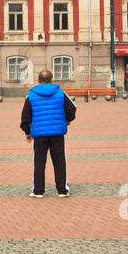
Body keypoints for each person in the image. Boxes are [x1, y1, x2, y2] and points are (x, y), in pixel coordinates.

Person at [21, 69, 78, 197]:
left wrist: (27, 131)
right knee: (59, 161)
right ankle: (62, 190)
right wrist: (68, 120)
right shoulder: (60, 92)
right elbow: (72, 109)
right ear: (52, 80)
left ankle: (38, 191)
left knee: (39, 162)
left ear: (38, 81)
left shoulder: (31, 95)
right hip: (57, 132)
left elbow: (25, 117)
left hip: (39, 134)